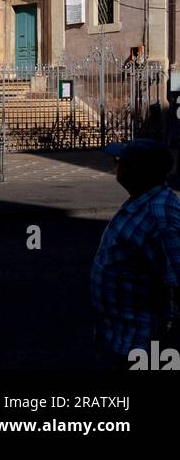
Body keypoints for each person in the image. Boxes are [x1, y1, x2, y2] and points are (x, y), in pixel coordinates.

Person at [90, 138, 180, 368]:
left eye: (120, 161)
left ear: (138, 171)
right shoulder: (142, 199)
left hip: (139, 345)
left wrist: (169, 341)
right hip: (118, 334)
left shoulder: (161, 214)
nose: (115, 166)